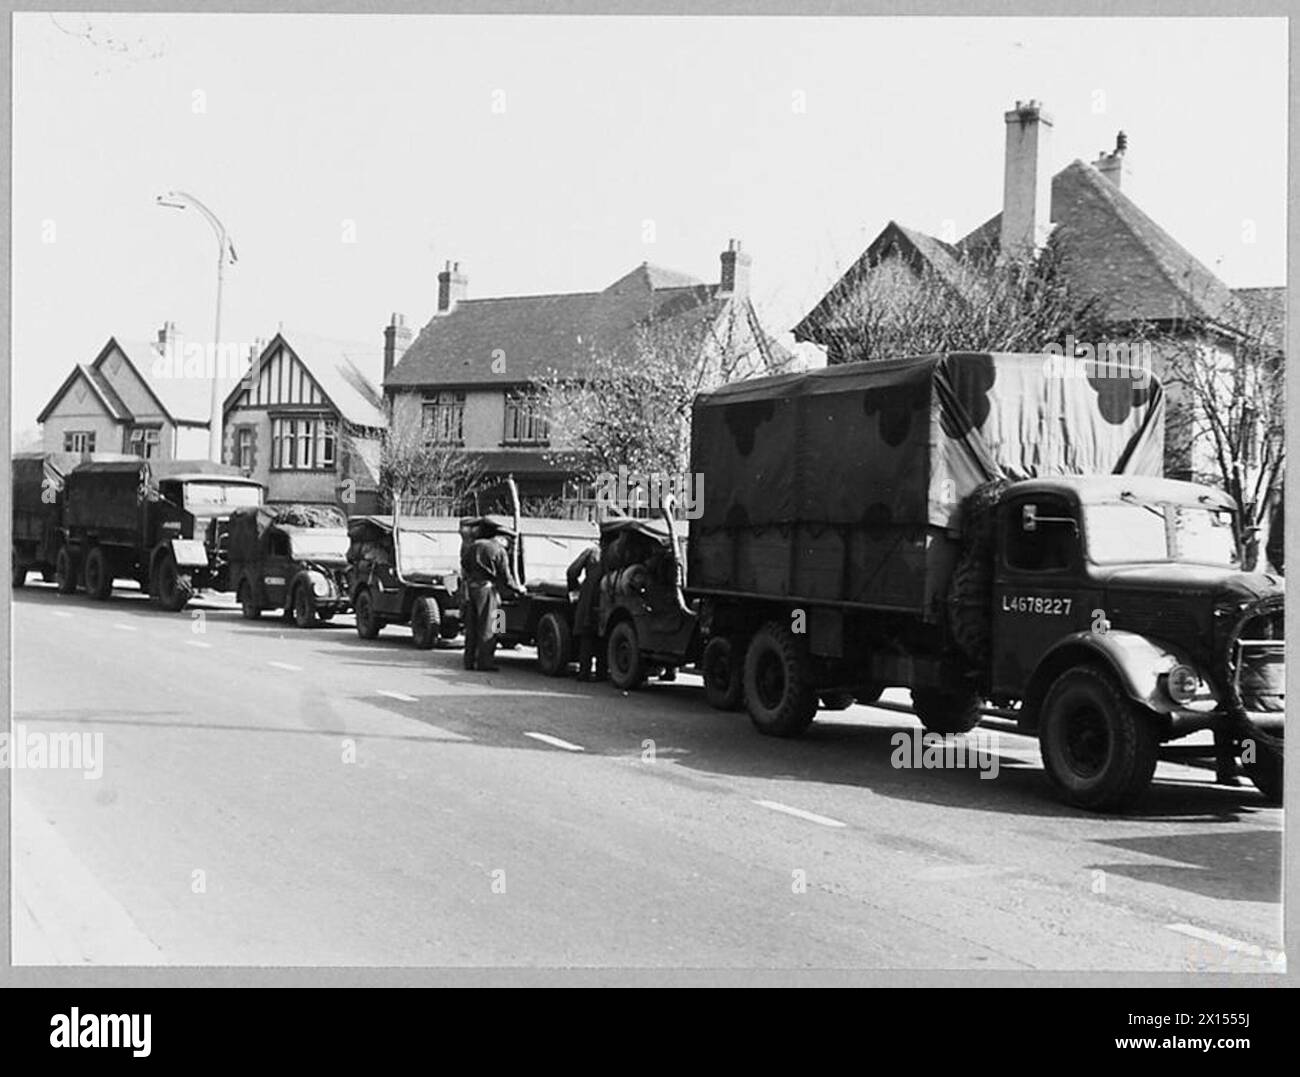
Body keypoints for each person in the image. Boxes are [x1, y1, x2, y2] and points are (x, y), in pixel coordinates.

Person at [461, 520, 523, 672]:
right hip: (488, 591)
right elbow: (506, 577)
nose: (508, 547)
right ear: (502, 539)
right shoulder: (498, 551)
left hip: (471, 589)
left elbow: (464, 564)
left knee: (472, 626)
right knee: (490, 627)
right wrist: (518, 589)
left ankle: (468, 661)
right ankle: (485, 663)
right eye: (508, 543)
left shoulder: (474, 545)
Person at [566, 543, 606, 682]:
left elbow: (572, 572)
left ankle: (584, 673)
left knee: (587, 636)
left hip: (589, 596)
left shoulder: (592, 552)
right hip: (609, 596)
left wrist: (574, 591)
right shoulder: (619, 553)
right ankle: (602, 673)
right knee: (604, 636)